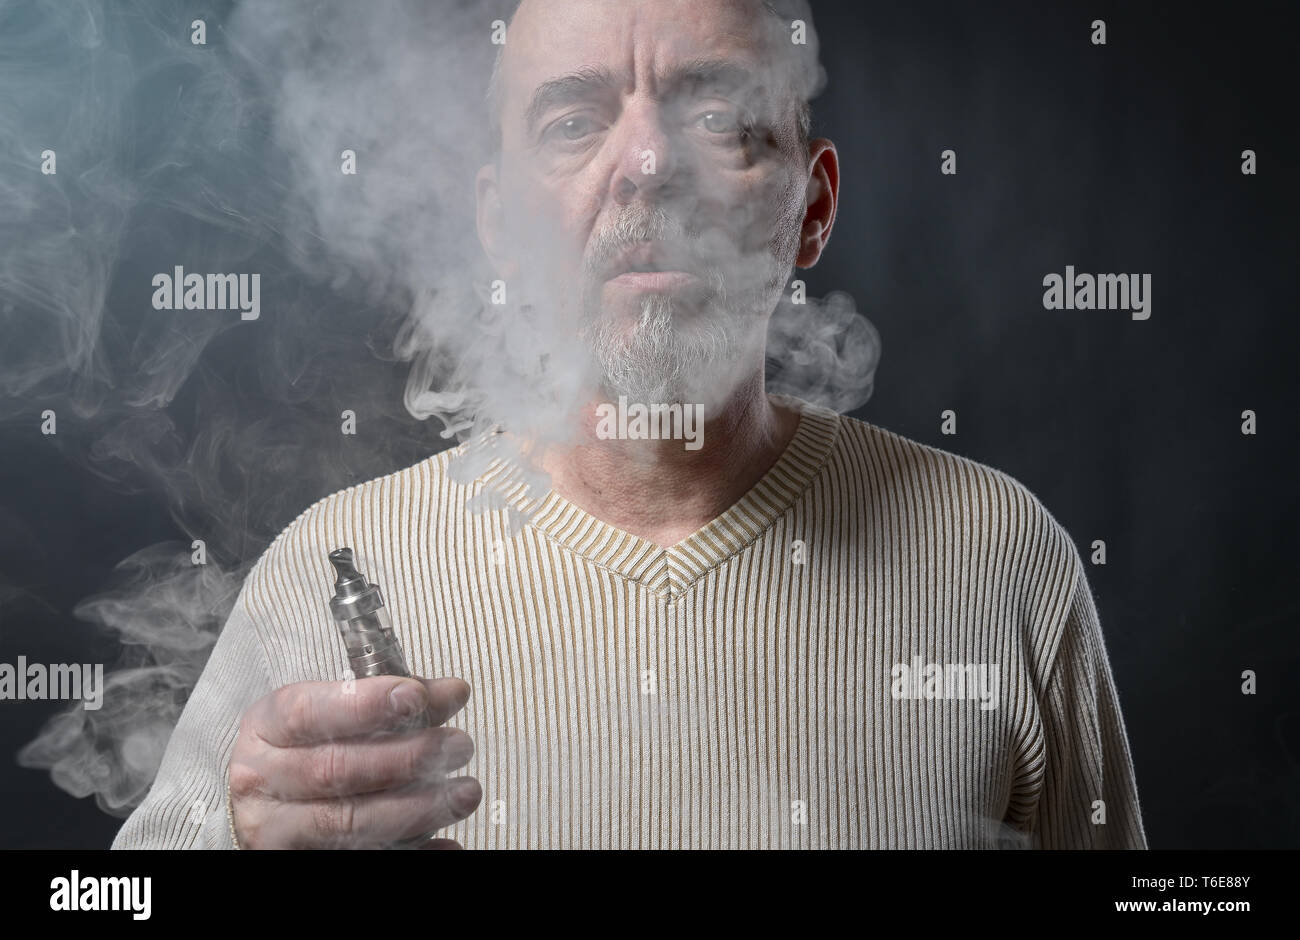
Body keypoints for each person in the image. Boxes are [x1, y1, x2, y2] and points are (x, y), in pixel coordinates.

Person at [112, 0, 1146, 849]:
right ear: (499, 225)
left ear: (812, 205)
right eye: (572, 123)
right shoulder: (323, 572)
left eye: (720, 117)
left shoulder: (998, 554)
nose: (649, 164)